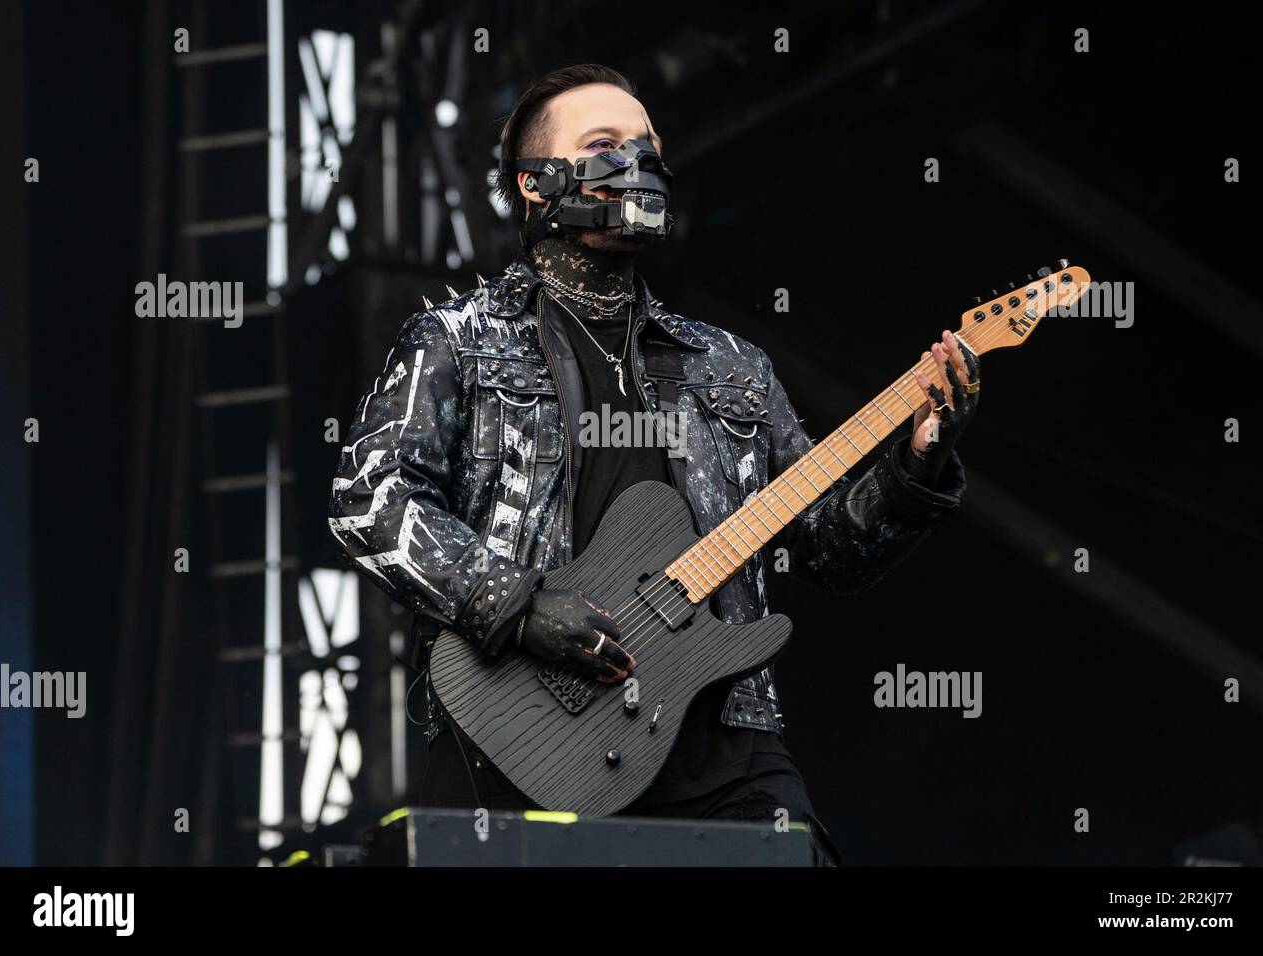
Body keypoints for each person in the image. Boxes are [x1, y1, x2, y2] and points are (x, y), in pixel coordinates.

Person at [328, 64, 980, 866]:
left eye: (648, 147)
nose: (636, 163)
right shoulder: (459, 341)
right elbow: (370, 499)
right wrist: (519, 606)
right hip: (521, 728)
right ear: (536, 183)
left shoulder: (730, 366)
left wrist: (920, 459)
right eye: (604, 144)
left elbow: (833, 547)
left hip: (721, 741)